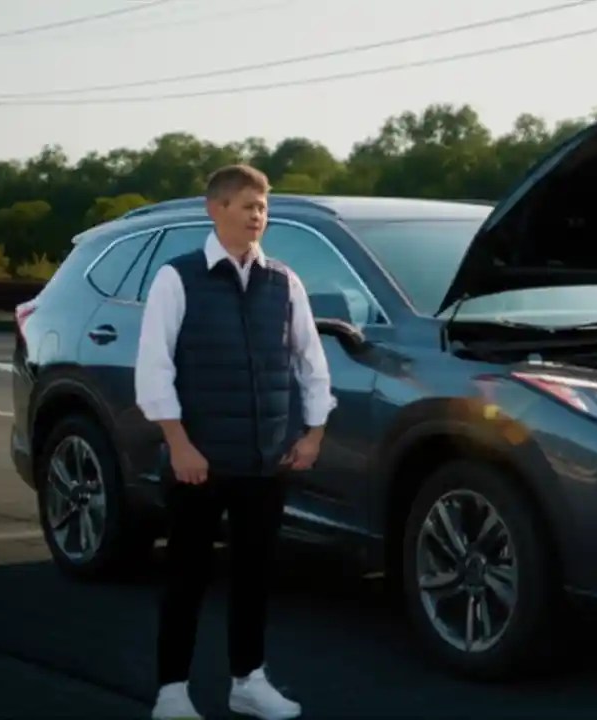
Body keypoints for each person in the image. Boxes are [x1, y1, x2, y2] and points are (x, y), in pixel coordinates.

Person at [136, 163, 336, 720]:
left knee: (253, 576)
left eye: (264, 207)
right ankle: (171, 693)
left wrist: (313, 432)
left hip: (265, 461)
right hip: (198, 460)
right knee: (187, 578)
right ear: (216, 209)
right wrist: (178, 443)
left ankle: (248, 682)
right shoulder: (177, 279)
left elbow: (308, 361)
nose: (258, 216)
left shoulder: (283, 281)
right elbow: (153, 369)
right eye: (248, 205)